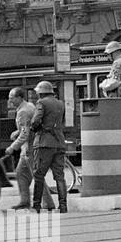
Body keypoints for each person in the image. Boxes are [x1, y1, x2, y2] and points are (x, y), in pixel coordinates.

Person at [5, 87, 53, 211]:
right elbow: (27, 127)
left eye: (12, 97)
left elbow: (25, 134)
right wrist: (17, 132)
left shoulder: (23, 112)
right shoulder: (29, 106)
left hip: (30, 149)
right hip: (30, 147)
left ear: (19, 97)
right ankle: (25, 201)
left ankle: (48, 203)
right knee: (21, 173)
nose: (10, 100)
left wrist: (12, 147)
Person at [28, 80, 68, 212]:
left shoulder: (41, 103)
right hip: (59, 142)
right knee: (60, 176)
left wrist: (35, 128)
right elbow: (62, 122)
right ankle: (63, 206)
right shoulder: (60, 103)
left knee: (39, 175)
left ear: (41, 93)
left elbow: (35, 121)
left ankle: (37, 205)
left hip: (44, 143)